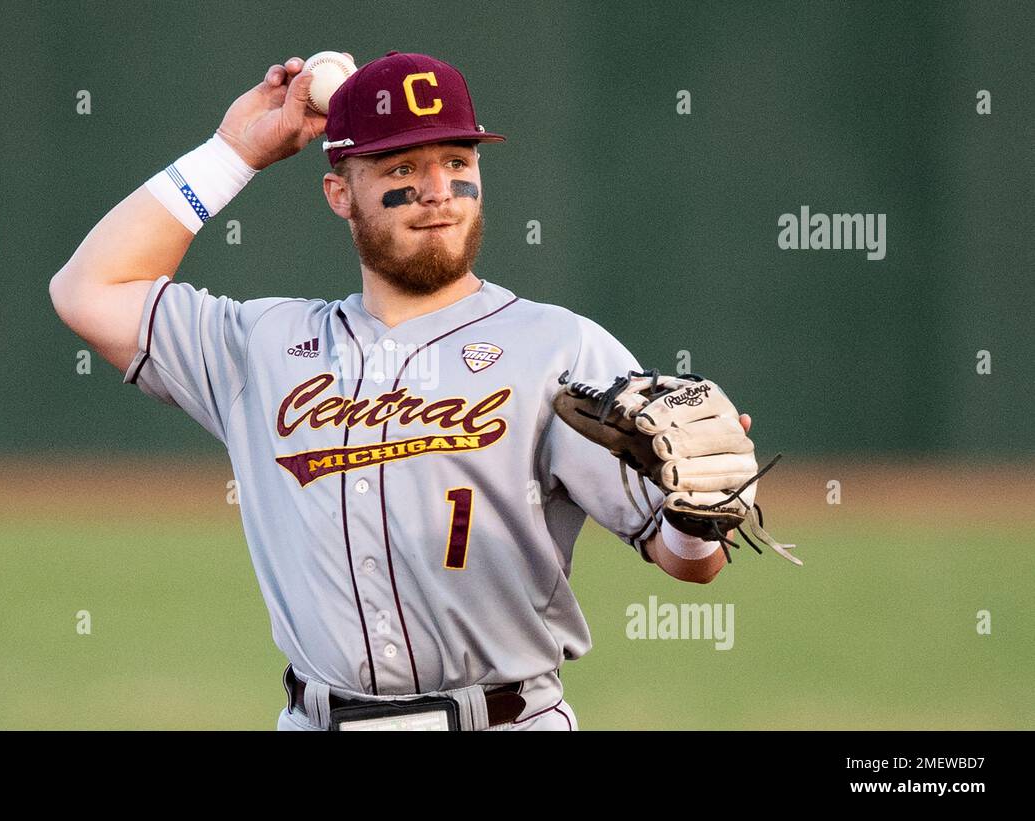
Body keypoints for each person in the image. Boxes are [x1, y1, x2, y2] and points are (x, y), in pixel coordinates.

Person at [49, 51, 750, 731]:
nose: (437, 190)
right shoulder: (259, 347)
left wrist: (698, 518)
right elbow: (88, 290)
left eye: (457, 161)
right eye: (402, 167)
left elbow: (692, 563)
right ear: (339, 193)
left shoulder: (562, 350)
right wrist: (234, 153)